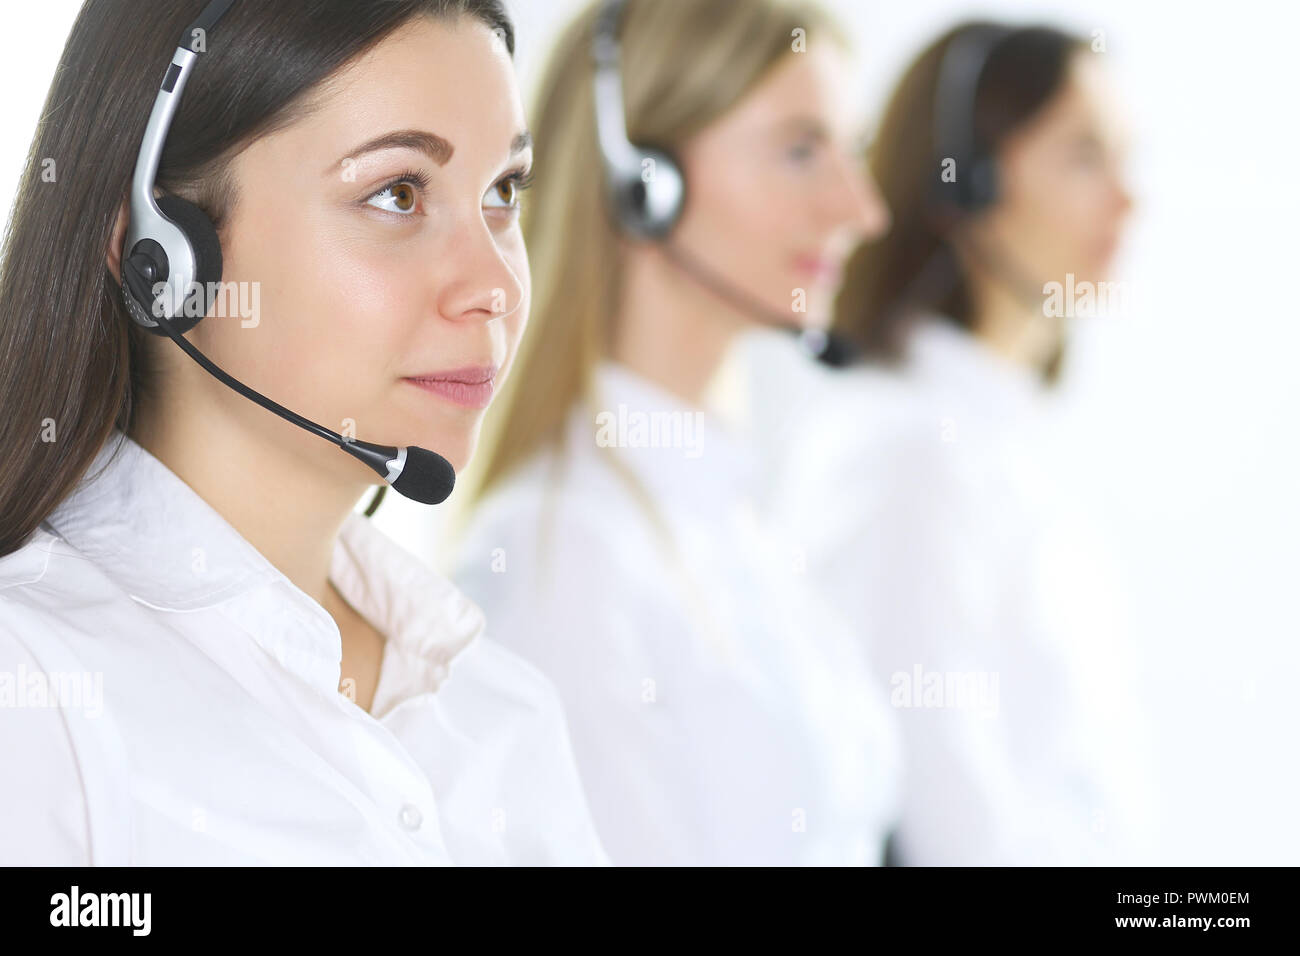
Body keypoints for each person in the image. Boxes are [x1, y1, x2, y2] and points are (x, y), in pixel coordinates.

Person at [0, 0, 608, 866]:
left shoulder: (501, 712)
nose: (497, 287)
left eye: (503, 192)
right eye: (398, 193)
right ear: (161, 257)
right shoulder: (35, 696)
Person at [450, 0, 901, 865]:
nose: (861, 209)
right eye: (802, 150)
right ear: (641, 183)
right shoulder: (565, 554)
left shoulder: (729, 516)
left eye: (854, 151)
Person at [754, 20, 1155, 864]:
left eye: (1125, 156)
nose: (1129, 198)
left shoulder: (991, 443)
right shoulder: (906, 452)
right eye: (1086, 156)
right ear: (966, 185)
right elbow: (944, 827)